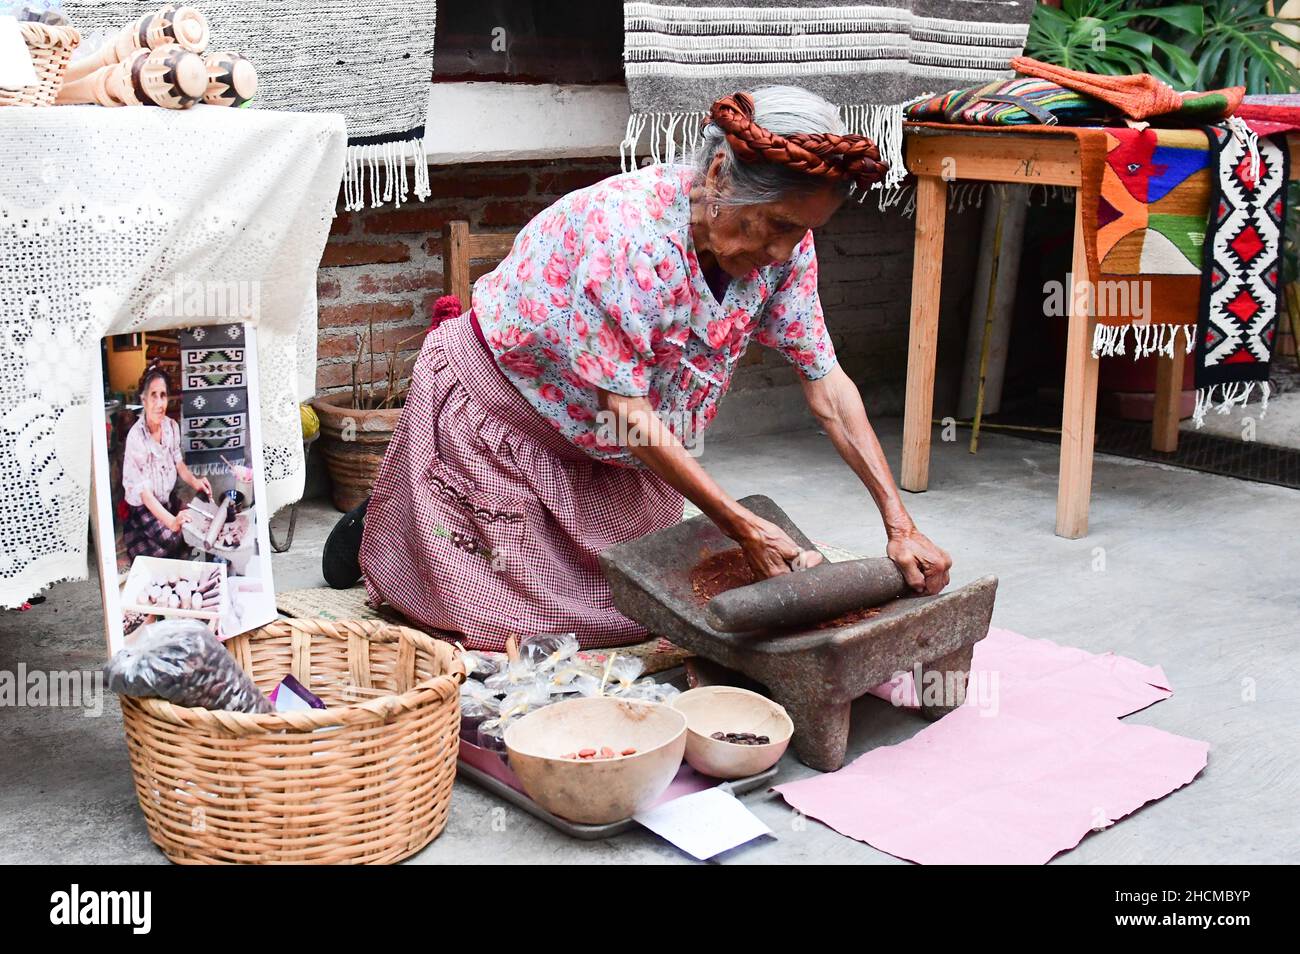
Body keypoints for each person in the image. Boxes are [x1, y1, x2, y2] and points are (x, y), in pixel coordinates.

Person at [326, 85, 951, 651]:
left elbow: (828, 386)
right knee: (511, 624)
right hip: (507, 422)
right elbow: (623, 412)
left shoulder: (783, 249)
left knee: (646, 608)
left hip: (621, 453)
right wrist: (735, 522)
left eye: (803, 231)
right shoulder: (629, 237)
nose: (783, 251)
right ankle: (390, 531)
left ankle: (399, 519)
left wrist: (900, 526)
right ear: (718, 177)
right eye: (778, 225)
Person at [121, 366, 212, 560]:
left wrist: (196, 482)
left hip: (166, 501)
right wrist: (172, 522)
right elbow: (145, 495)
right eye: (153, 395)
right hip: (144, 510)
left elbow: (178, 463)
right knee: (174, 539)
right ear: (143, 400)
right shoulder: (136, 438)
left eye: (163, 395)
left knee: (192, 527)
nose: (159, 403)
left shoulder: (171, 426)